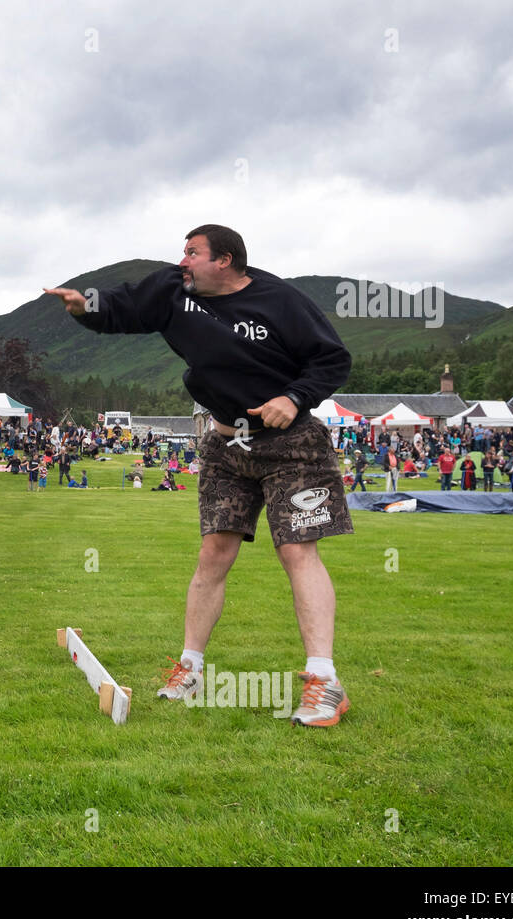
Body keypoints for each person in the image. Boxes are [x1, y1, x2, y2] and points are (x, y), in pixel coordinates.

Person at [45, 223, 353, 727]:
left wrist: (293, 398)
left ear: (225, 260)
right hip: (224, 443)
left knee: (297, 550)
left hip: (290, 443)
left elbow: (332, 359)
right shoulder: (174, 290)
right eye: (182, 252)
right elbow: (127, 306)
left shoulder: (281, 302)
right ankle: (190, 669)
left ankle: (324, 683)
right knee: (213, 552)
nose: (182, 261)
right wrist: (87, 307)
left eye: (193, 253)